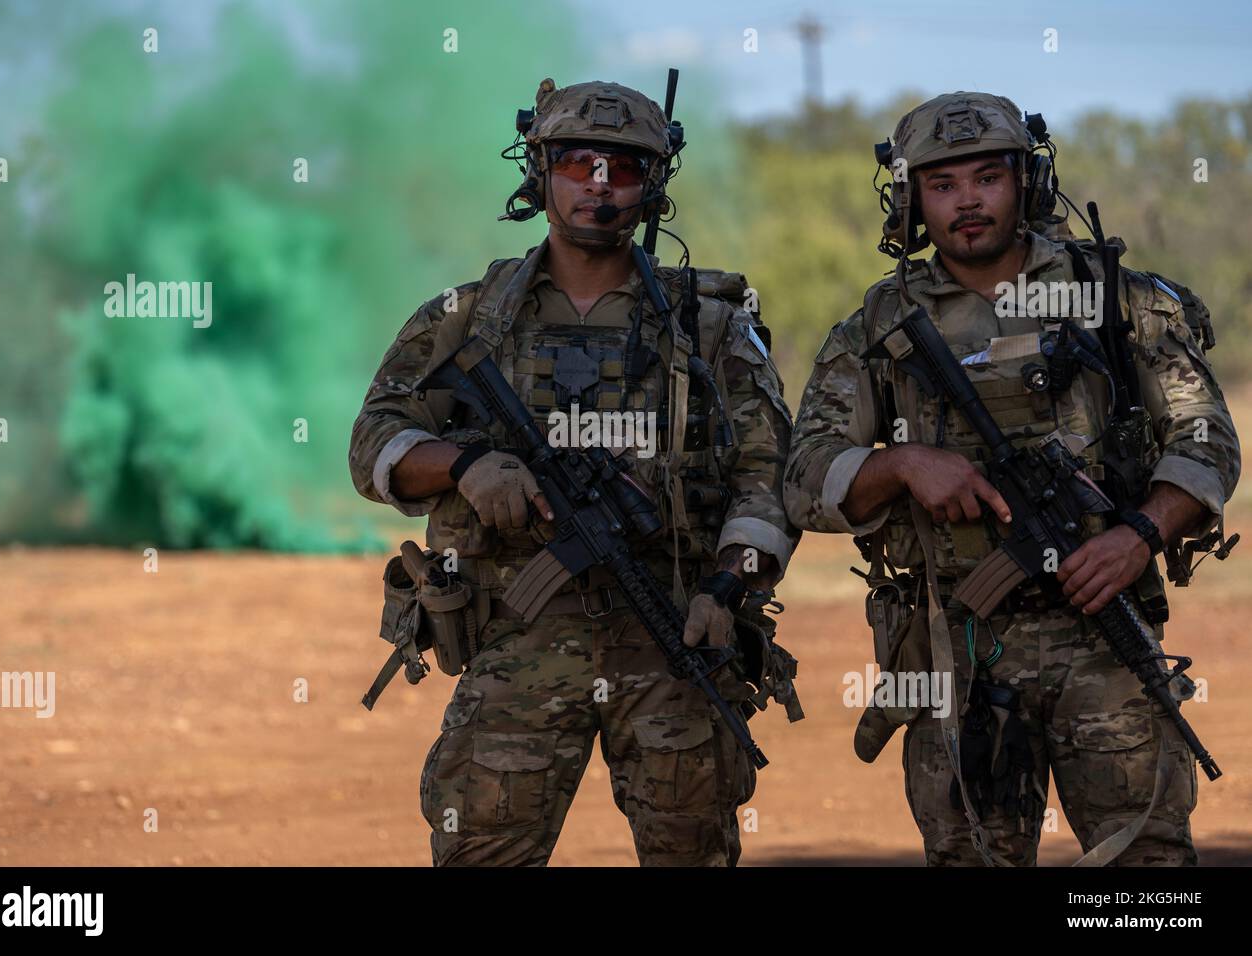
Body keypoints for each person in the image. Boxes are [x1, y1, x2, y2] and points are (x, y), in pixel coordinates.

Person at [350, 77, 800, 866]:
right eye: (578, 163)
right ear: (538, 169)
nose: (599, 184)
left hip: (674, 632)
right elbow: (374, 444)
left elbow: (769, 475)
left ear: (654, 186)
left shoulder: (710, 326)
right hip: (514, 640)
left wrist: (729, 589)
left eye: (623, 168)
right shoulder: (467, 315)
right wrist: (464, 464)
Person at [784, 91, 1240, 866]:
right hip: (954, 649)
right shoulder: (879, 329)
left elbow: (1205, 438)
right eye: (942, 184)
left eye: (987, 177)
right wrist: (899, 465)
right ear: (910, 201)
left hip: (1104, 634)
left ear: (1026, 183)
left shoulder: (1115, 299)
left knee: (1149, 870)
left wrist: (1140, 534)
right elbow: (803, 476)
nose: (967, 202)